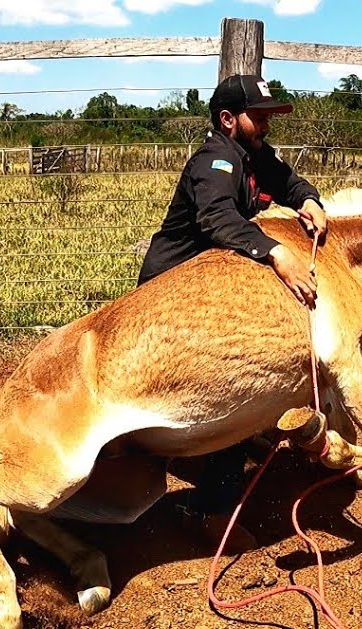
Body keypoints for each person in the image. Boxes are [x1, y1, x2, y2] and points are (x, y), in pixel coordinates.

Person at [138, 74, 328, 551]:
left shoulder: (252, 155)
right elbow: (216, 218)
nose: (265, 124)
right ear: (228, 120)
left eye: (268, 115)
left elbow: (288, 180)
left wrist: (308, 200)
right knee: (233, 381)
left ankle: (222, 450)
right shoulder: (216, 160)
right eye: (258, 116)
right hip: (172, 292)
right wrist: (277, 253)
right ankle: (210, 508)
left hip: (210, 291)